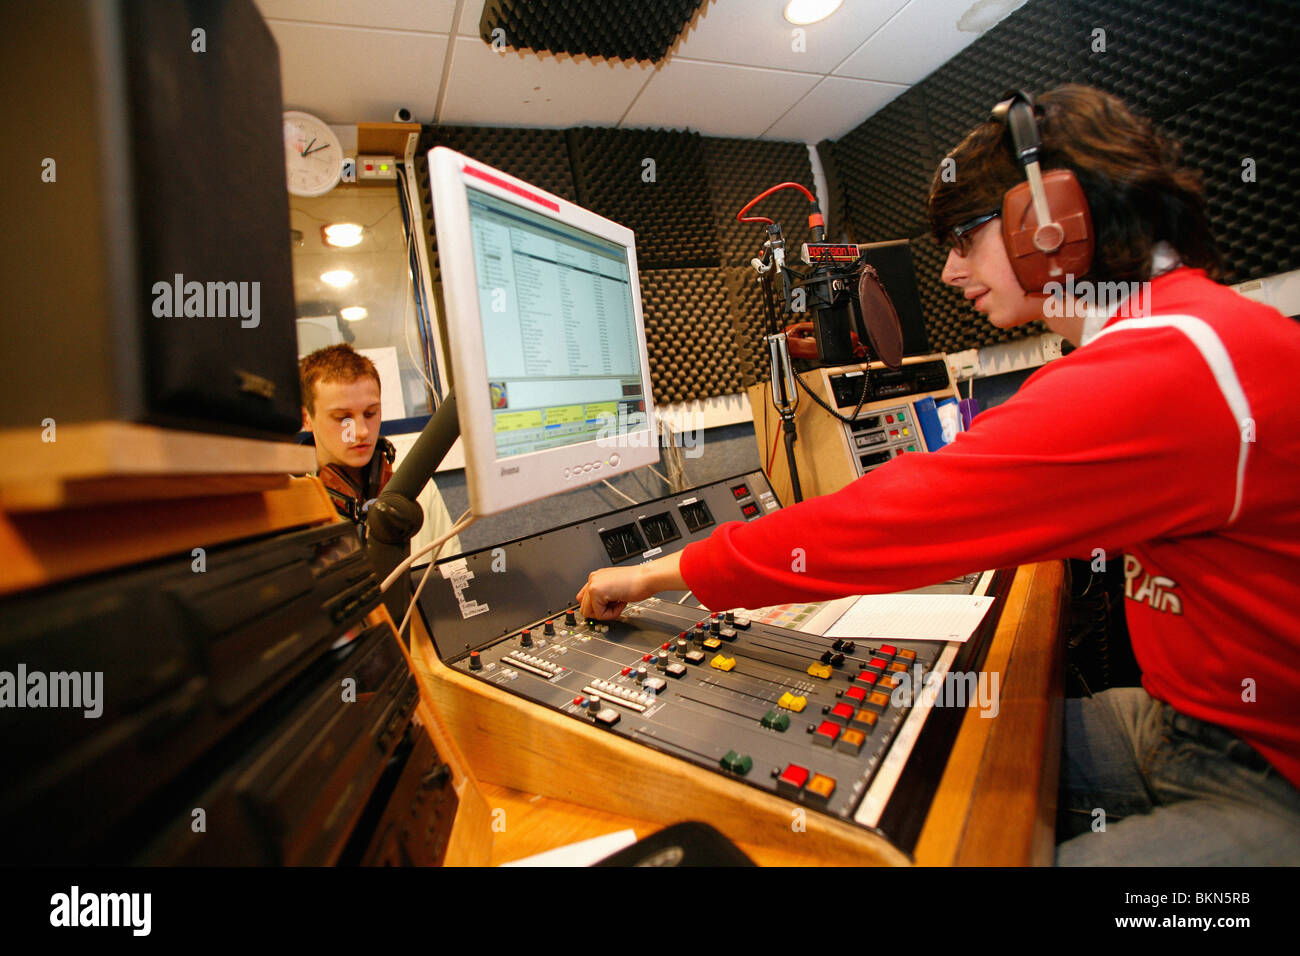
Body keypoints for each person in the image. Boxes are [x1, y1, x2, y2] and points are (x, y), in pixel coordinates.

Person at [576, 85, 1300, 865]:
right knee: (926, 727)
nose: (951, 271)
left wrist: (664, 572)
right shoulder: (1189, 331)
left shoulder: (1173, 363)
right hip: (1185, 723)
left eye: (964, 236)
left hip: (1272, 776)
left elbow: (894, 516)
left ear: (1049, 222)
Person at [299, 343, 460, 554]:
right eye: (342, 418)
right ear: (306, 419)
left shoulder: (417, 483)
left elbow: (453, 571)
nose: (361, 432)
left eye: (370, 413)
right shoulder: (289, 503)